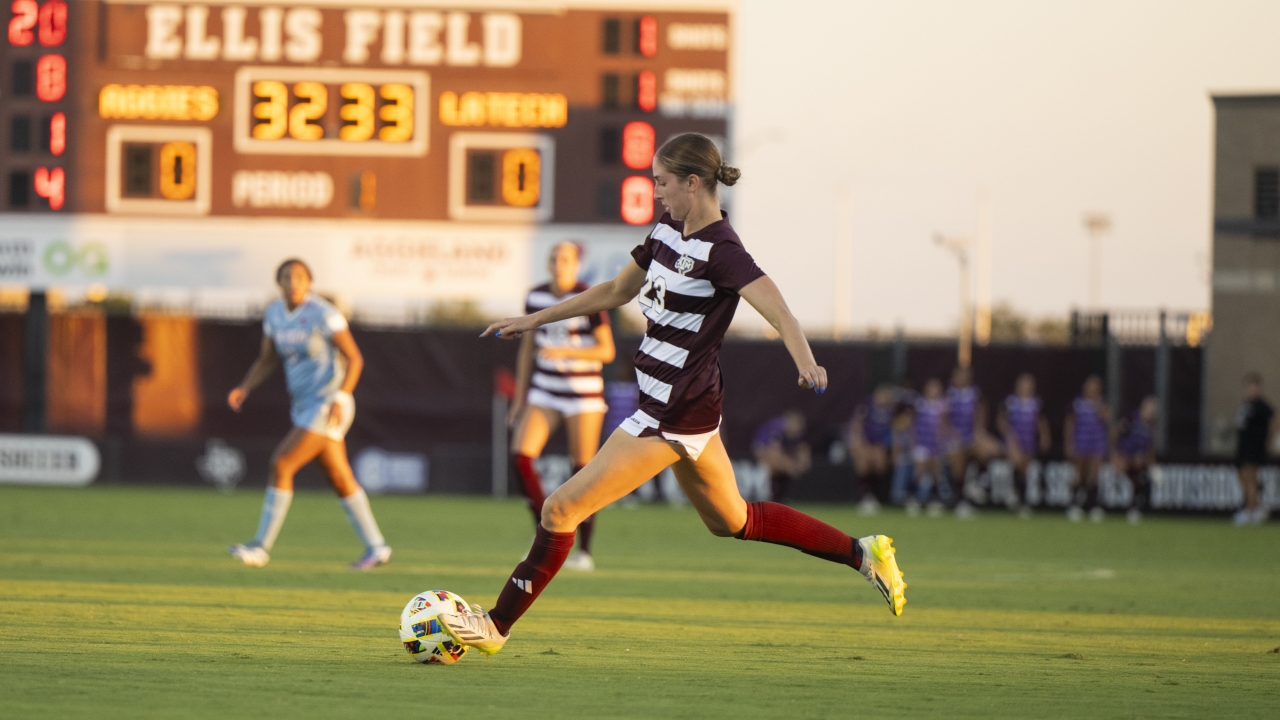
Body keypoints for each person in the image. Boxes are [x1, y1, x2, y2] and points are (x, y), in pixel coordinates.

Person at [439, 133, 906, 655]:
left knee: (559, 509)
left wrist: (806, 362)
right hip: (682, 407)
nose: (655, 192)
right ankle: (863, 553)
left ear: (693, 182)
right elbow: (617, 291)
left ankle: (496, 627)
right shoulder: (666, 229)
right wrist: (536, 319)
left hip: (673, 412)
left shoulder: (724, 251)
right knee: (734, 520)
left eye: (662, 182)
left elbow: (779, 312)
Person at [226, 259, 391, 570]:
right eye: (287, 277)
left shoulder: (324, 314)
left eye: (300, 277)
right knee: (340, 478)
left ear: (309, 282)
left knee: (282, 462)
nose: (294, 283)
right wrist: (244, 387)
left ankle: (260, 547)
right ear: (279, 282)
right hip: (303, 406)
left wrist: (341, 396)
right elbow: (266, 360)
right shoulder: (275, 313)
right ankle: (377, 547)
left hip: (328, 404)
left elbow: (355, 359)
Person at [508, 242, 616, 571]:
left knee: (582, 470)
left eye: (566, 259)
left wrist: (567, 353)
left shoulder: (588, 297)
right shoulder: (535, 296)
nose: (559, 265)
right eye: (554, 259)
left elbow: (606, 351)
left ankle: (583, 551)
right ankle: (546, 533)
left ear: (575, 264)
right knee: (521, 455)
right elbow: (527, 350)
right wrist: (519, 397)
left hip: (582, 394)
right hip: (545, 391)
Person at [997, 373, 1050, 518]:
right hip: (1014, 441)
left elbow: (1041, 422)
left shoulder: (1036, 403)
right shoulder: (1010, 402)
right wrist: (1010, 437)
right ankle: (1014, 494)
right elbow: (1001, 421)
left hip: (1029, 441)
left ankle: (1021, 499)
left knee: (1025, 469)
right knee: (1017, 462)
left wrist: (1045, 437)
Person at [945, 366, 991, 519]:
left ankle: (977, 483)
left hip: (971, 436)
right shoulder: (949, 394)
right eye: (960, 375)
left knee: (989, 450)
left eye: (966, 375)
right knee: (957, 461)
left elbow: (981, 412)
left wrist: (979, 430)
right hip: (954, 439)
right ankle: (961, 501)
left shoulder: (975, 393)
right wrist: (950, 433)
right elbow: (943, 417)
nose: (962, 378)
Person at [1064, 375, 1111, 522]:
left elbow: (1107, 417)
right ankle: (1075, 504)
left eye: (1095, 387)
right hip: (1080, 443)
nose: (1091, 389)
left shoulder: (1102, 403)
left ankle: (1094, 505)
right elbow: (1069, 424)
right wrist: (1069, 443)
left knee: (1094, 474)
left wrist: (1100, 408)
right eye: (1089, 386)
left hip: (1096, 444)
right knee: (1079, 474)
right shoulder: (1077, 403)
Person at [1233, 372, 1276, 525]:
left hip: (1254, 447)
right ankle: (1254, 508)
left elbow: (1274, 419)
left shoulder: (1262, 406)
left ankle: (1251, 511)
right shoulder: (1246, 405)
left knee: (1251, 478)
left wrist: (1270, 440)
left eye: (1253, 387)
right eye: (1248, 387)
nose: (1251, 390)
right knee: (1243, 477)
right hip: (1243, 448)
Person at [849, 385, 895, 514]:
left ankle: (872, 495)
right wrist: (861, 445)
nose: (883, 399)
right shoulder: (867, 405)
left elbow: (892, 430)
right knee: (863, 462)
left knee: (880, 465)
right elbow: (856, 425)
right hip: (861, 441)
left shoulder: (889, 411)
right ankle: (864, 496)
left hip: (877, 443)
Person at [910, 378, 952, 517]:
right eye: (931, 388)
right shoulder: (920, 404)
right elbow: (913, 424)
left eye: (937, 388)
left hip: (936, 446)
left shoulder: (943, 405)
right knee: (920, 470)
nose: (934, 391)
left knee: (935, 471)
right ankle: (914, 498)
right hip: (922, 443)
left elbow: (944, 426)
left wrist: (943, 442)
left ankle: (934, 499)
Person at [1113, 396, 1157, 525]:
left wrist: (1153, 464)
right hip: (1124, 455)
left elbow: (1149, 449)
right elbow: (1116, 433)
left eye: (1154, 411)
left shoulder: (1151, 426)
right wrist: (1115, 454)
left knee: (1140, 476)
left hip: (1137, 459)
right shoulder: (1132, 419)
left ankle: (1134, 506)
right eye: (1150, 409)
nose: (1152, 413)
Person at [752, 410, 812, 504]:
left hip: (773, 457)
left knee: (791, 467)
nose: (798, 432)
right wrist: (789, 465)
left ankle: (781, 497)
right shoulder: (777, 427)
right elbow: (771, 452)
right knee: (786, 467)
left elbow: (803, 450)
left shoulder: (792, 435)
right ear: (792, 422)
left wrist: (800, 462)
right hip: (760, 456)